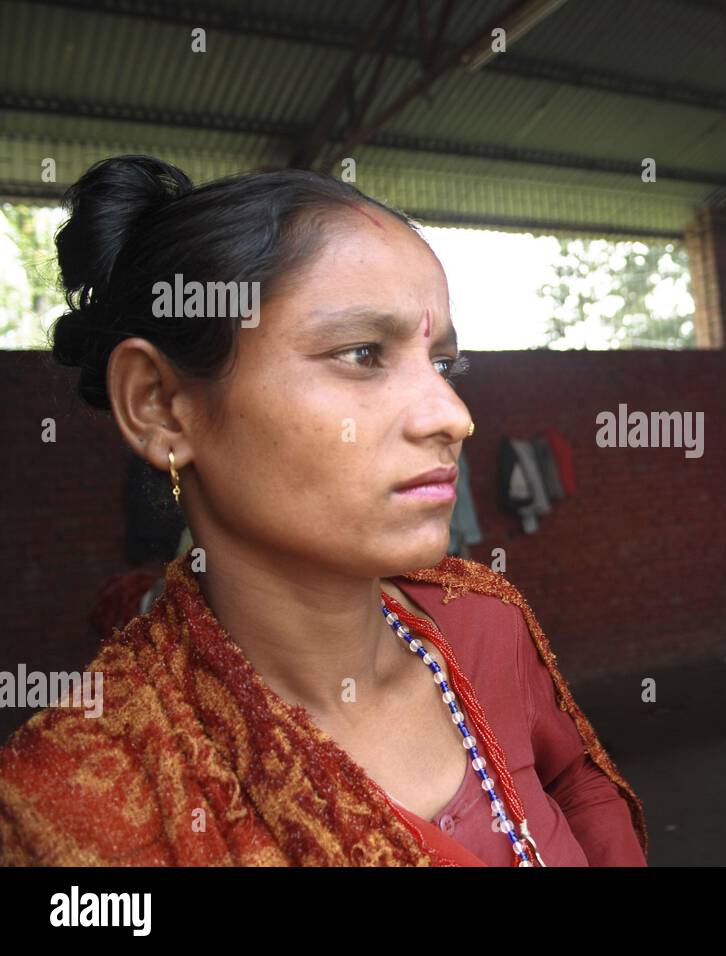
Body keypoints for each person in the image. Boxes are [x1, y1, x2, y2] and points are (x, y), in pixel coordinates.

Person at [0, 155, 647, 867]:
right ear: (159, 405)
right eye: (363, 353)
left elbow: (578, 789)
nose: (453, 416)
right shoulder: (80, 800)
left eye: (443, 363)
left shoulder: (483, 623)